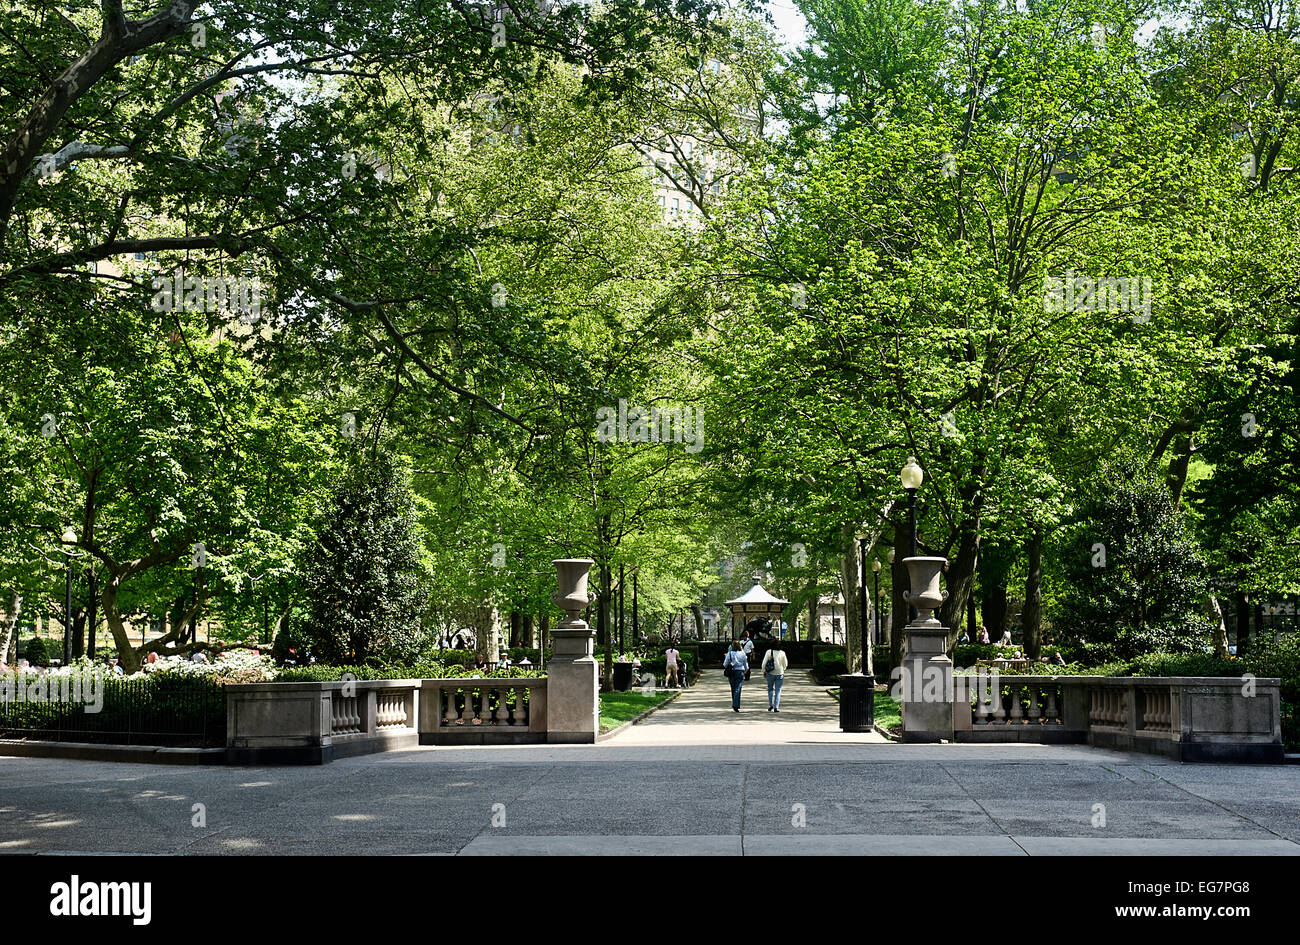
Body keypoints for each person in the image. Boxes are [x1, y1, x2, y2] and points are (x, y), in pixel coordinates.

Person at [762, 642, 789, 712]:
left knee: (770, 689)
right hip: (780, 673)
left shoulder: (769, 652)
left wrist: (763, 671)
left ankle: (771, 704)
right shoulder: (782, 653)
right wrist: (783, 669)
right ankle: (776, 707)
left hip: (770, 673)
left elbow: (764, 663)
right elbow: (785, 663)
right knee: (778, 690)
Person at [722, 640, 748, 712]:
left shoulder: (730, 654)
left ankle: (735, 703)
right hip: (740, 671)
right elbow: (745, 663)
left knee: (733, 688)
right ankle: (736, 704)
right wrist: (746, 670)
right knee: (738, 688)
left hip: (732, 672)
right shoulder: (742, 653)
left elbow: (725, 664)